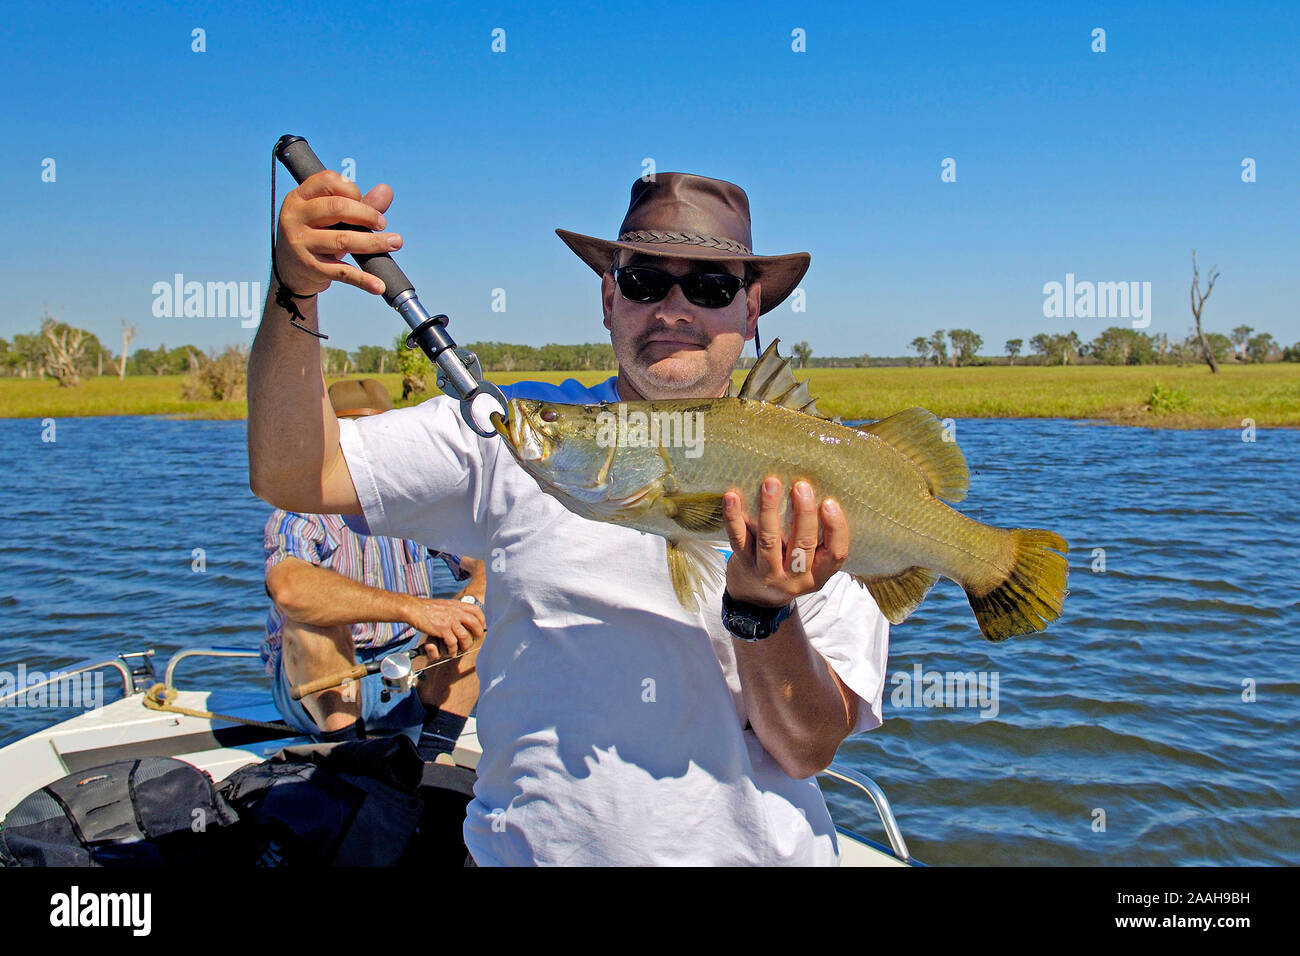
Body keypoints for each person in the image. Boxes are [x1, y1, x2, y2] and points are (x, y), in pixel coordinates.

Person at [248, 171, 890, 865]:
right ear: (609, 296)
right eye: (646, 281)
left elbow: (805, 749)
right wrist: (295, 290)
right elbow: (294, 472)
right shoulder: (512, 437)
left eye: (710, 287)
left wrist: (761, 613)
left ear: (751, 309)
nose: (674, 309)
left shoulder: (821, 483)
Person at [262, 378, 487, 760]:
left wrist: (468, 601)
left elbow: (486, 558)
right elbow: (288, 588)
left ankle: (435, 757)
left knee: (473, 616)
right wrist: (412, 609)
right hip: (318, 689)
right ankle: (352, 760)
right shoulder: (298, 510)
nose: (368, 455)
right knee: (313, 623)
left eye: (377, 439)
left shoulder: (417, 501)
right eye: (353, 440)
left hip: (406, 671)